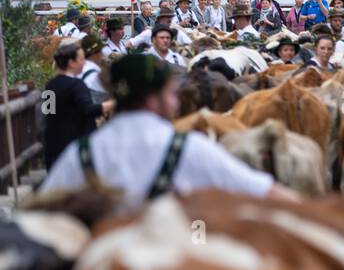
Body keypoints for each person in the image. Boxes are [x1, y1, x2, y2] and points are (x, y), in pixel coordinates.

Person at [41, 54, 296, 207]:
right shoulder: (190, 149)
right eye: (171, 95)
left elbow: (42, 217)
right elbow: (265, 192)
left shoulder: (80, 154)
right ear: (152, 99)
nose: (176, 104)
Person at [40, 40, 114, 169]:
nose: (84, 63)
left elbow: (47, 114)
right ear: (71, 62)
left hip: (54, 146)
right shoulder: (76, 85)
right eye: (81, 59)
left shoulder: (50, 85)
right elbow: (88, 109)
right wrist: (112, 104)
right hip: (75, 146)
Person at [78, 34, 110, 99]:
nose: (103, 55)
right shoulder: (95, 75)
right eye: (101, 51)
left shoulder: (77, 69)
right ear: (95, 53)